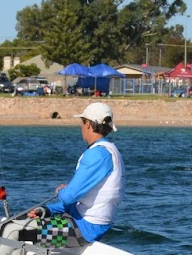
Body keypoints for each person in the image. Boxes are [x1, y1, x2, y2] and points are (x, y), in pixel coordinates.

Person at [27, 101, 125, 242]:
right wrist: (47, 210)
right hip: (85, 223)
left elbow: (68, 197)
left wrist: (60, 191)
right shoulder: (109, 150)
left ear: (88, 125)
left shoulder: (97, 155)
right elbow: (82, 201)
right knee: (24, 225)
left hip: (85, 230)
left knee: (14, 230)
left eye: (82, 123)